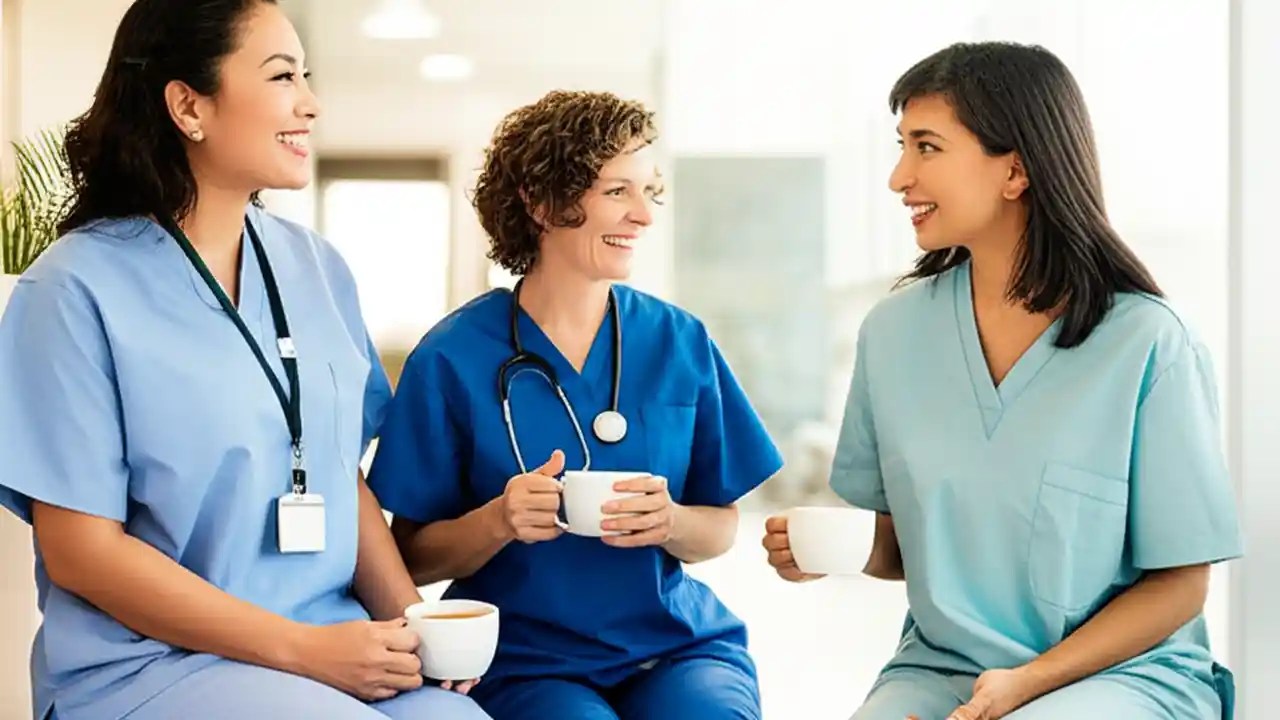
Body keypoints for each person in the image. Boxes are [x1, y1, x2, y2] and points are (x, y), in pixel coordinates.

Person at [0, 2, 489, 718]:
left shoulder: (318, 268)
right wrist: (301, 649)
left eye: (306, 76)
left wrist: (415, 624)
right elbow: (82, 552)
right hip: (150, 666)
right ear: (188, 105)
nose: (311, 104)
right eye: (282, 76)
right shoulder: (71, 290)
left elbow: (335, 475)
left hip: (326, 637)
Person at [762, 42, 1243, 720]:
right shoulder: (893, 333)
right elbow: (906, 546)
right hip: (944, 667)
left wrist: (1028, 684)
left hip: (1121, 673)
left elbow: (1180, 586)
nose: (900, 177)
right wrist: (827, 552)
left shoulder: (1148, 344)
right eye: (901, 146)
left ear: (1015, 169)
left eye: (926, 147)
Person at [365, 90, 783, 720]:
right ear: (541, 202)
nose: (643, 215)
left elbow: (720, 524)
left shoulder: (678, 340)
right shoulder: (453, 357)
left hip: (675, 649)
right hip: (528, 660)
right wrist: (497, 520)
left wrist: (669, 522)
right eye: (618, 191)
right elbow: (409, 561)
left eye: (650, 192)